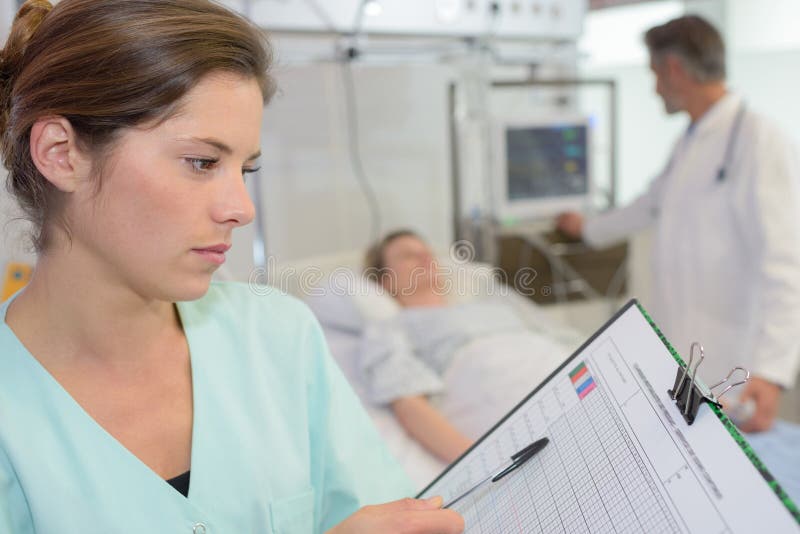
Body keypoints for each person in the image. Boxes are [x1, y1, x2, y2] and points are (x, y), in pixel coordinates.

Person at [0, 1, 465, 533]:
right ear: (61, 153)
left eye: (245, 168)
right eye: (202, 162)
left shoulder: (276, 335)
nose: (242, 208)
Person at [556, 15, 800, 433]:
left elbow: (786, 260)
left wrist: (772, 371)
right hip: (689, 341)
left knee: (733, 468)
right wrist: (585, 229)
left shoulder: (757, 138)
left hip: (734, 353)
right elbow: (650, 205)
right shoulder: (691, 140)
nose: (654, 89)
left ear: (674, 70)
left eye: (654, 75)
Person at [360, 230, 575, 463]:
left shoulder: (492, 305)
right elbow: (407, 401)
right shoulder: (391, 327)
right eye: (408, 256)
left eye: (427, 252)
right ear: (385, 280)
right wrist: (481, 463)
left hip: (562, 366)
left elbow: (558, 337)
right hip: (505, 389)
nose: (426, 258)